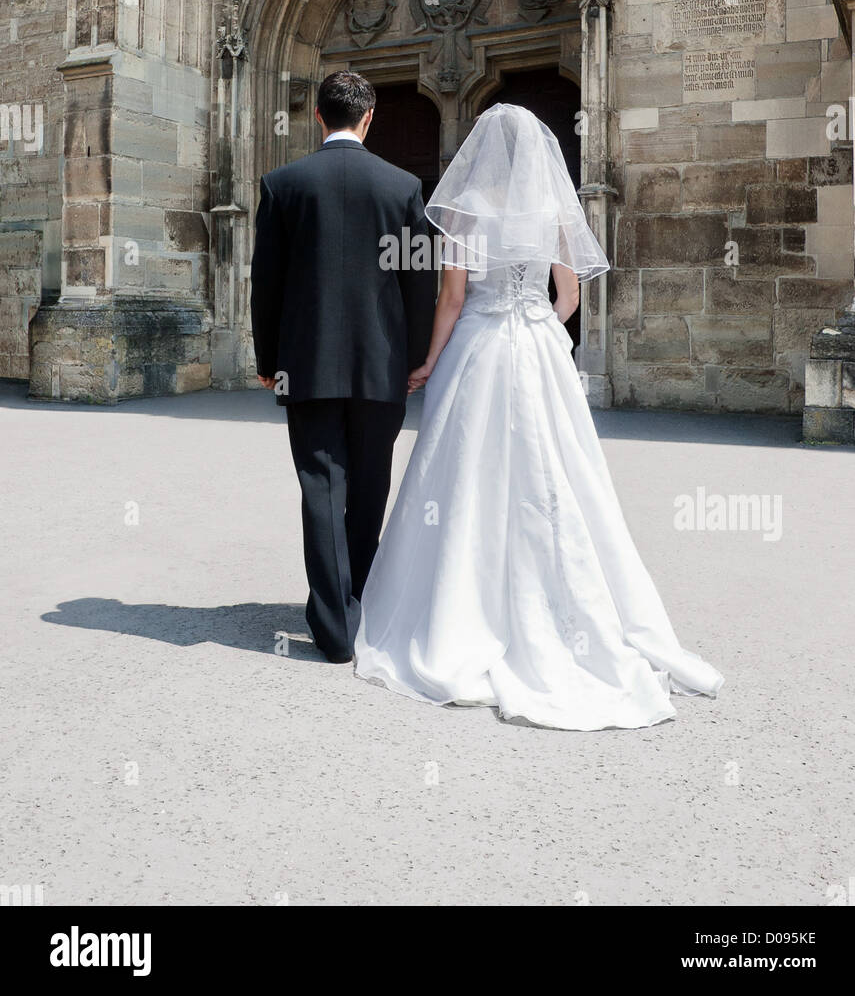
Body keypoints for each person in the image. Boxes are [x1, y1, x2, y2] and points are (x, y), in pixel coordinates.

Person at [354, 103, 723, 730]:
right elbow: (571, 294)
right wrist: (542, 332)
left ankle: (454, 607)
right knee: (560, 473)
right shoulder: (552, 211)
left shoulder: (468, 208)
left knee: (464, 473)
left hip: (478, 346)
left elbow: (452, 297)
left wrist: (429, 361)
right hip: (537, 347)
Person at [250, 70, 436, 663]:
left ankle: (335, 628)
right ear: (370, 116)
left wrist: (267, 360)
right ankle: (359, 597)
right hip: (382, 365)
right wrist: (415, 358)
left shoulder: (283, 184)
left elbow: (266, 283)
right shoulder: (403, 185)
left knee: (321, 489)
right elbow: (418, 280)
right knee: (370, 485)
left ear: (317, 117)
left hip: (305, 365)